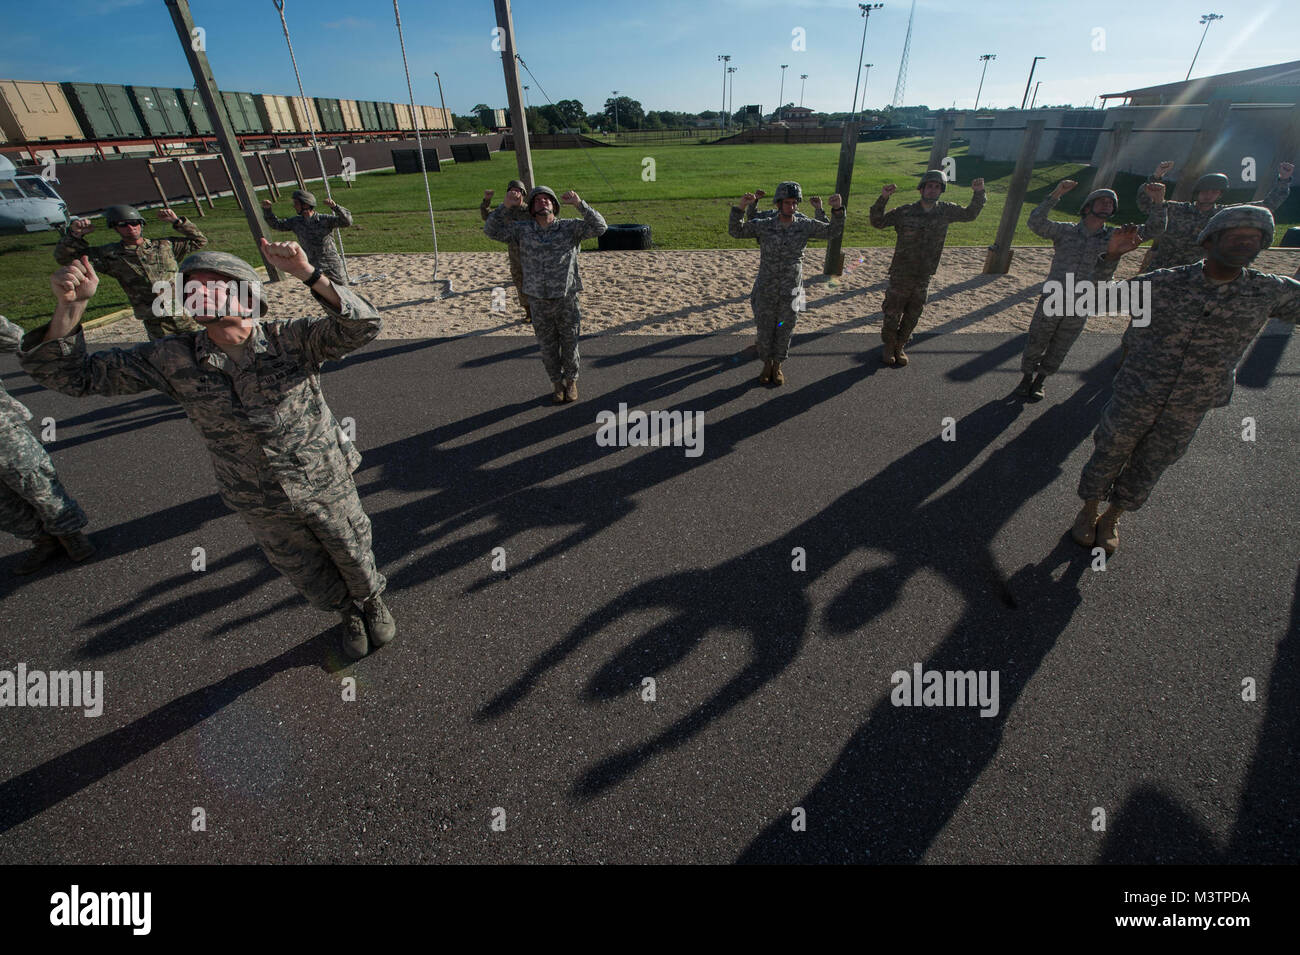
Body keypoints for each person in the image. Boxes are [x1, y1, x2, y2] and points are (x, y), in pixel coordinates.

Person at [22, 240, 395, 660]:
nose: (199, 294)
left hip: (323, 478)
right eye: (190, 287)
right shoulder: (173, 357)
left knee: (352, 548)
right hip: (256, 495)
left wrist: (308, 273)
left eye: (213, 285)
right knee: (302, 567)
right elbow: (74, 378)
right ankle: (344, 612)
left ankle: (371, 601)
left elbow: (363, 326)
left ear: (245, 293)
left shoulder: (290, 338)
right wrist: (71, 308)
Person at [1072, 206, 1299, 556]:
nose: (1245, 244)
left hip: (1191, 403)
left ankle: (1114, 515)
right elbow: (1093, 300)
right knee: (1109, 450)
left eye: (1254, 239)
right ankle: (1088, 512)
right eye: (1236, 236)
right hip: (1138, 392)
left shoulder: (1268, 291)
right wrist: (1110, 258)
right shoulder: (1164, 282)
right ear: (1209, 240)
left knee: (1154, 461)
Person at [1013, 180, 1166, 401]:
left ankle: (1040, 380)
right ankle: (1026, 377)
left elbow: (1155, 229)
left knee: (1062, 344)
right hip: (1055, 295)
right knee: (1037, 339)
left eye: (1110, 203)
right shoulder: (1065, 231)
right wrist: (1056, 193)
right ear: (1087, 207)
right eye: (1101, 201)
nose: (1106, 205)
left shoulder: (1115, 236)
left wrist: (1159, 201)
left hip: (1085, 300)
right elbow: (1036, 222)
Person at [484, 186, 607, 403]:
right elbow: (490, 230)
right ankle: (556, 383)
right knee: (547, 347)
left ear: (555, 206)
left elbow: (600, 227)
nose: (543, 202)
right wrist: (506, 205)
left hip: (566, 299)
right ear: (531, 208)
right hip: (538, 301)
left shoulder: (570, 228)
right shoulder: (522, 230)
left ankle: (571, 382)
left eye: (547, 199)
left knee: (569, 345)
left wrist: (579, 204)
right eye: (538, 200)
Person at [0, 315, 93, 575]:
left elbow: (19, 340)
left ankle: (71, 534)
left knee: (34, 480)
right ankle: (42, 539)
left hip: (2, 427)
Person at [729, 181, 844, 385]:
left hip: (792, 289)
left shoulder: (803, 225)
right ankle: (766, 364)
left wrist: (836, 210)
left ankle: (778, 364)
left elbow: (832, 232)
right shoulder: (765, 225)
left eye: (794, 203)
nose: (791, 207)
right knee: (765, 329)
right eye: (787, 203)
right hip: (766, 287)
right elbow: (736, 231)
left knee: (785, 328)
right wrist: (741, 207)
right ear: (778, 204)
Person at [870, 170, 986, 366]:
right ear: (921, 189)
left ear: (941, 191)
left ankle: (900, 345)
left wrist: (978, 192)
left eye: (937, 187)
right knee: (892, 312)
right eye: (929, 186)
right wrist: (883, 198)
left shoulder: (946, 211)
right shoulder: (905, 211)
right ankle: (889, 346)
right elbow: (877, 222)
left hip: (924, 274)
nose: (933, 190)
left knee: (914, 313)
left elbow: (970, 214)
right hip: (901, 272)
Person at [54, 204, 206, 341]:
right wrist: (76, 235)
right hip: (154, 319)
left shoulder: (164, 246)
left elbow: (199, 240)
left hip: (184, 312)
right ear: (115, 228)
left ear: (141, 224)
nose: (131, 228)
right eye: (123, 224)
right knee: (169, 357)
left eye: (134, 223)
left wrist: (175, 221)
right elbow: (65, 258)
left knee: (202, 346)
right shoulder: (110, 255)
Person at [1136, 160, 1293, 271]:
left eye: (1214, 191)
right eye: (1205, 191)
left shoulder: (1224, 215)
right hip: (1161, 267)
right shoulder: (1175, 209)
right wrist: (1156, 177)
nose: (1208, 195)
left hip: (1195, 272)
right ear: (1198, 192)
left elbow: (1267, 206)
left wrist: (1284, 180)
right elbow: (1146, 204)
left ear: (1219, 194)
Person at [261, 189, 353, 285]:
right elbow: (277, 225)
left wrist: (335, 207)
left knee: (342, 292)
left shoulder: (324, 219)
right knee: (322, 296)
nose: (294, 206)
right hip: (313, 268)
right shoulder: (295, 222)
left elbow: (347, 222)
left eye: (296, 203)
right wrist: (267, 210)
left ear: (306, 204)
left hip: (332, 265)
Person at [480, 179, 532, 323]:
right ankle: (528, 311)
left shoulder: (530, 210)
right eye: (511, 191)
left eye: (518, 192)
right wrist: (487, 200)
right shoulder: (504, 210)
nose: (515, 195)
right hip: (515, 253)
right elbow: (487, 218)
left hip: (533, 253)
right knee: (519, 280)